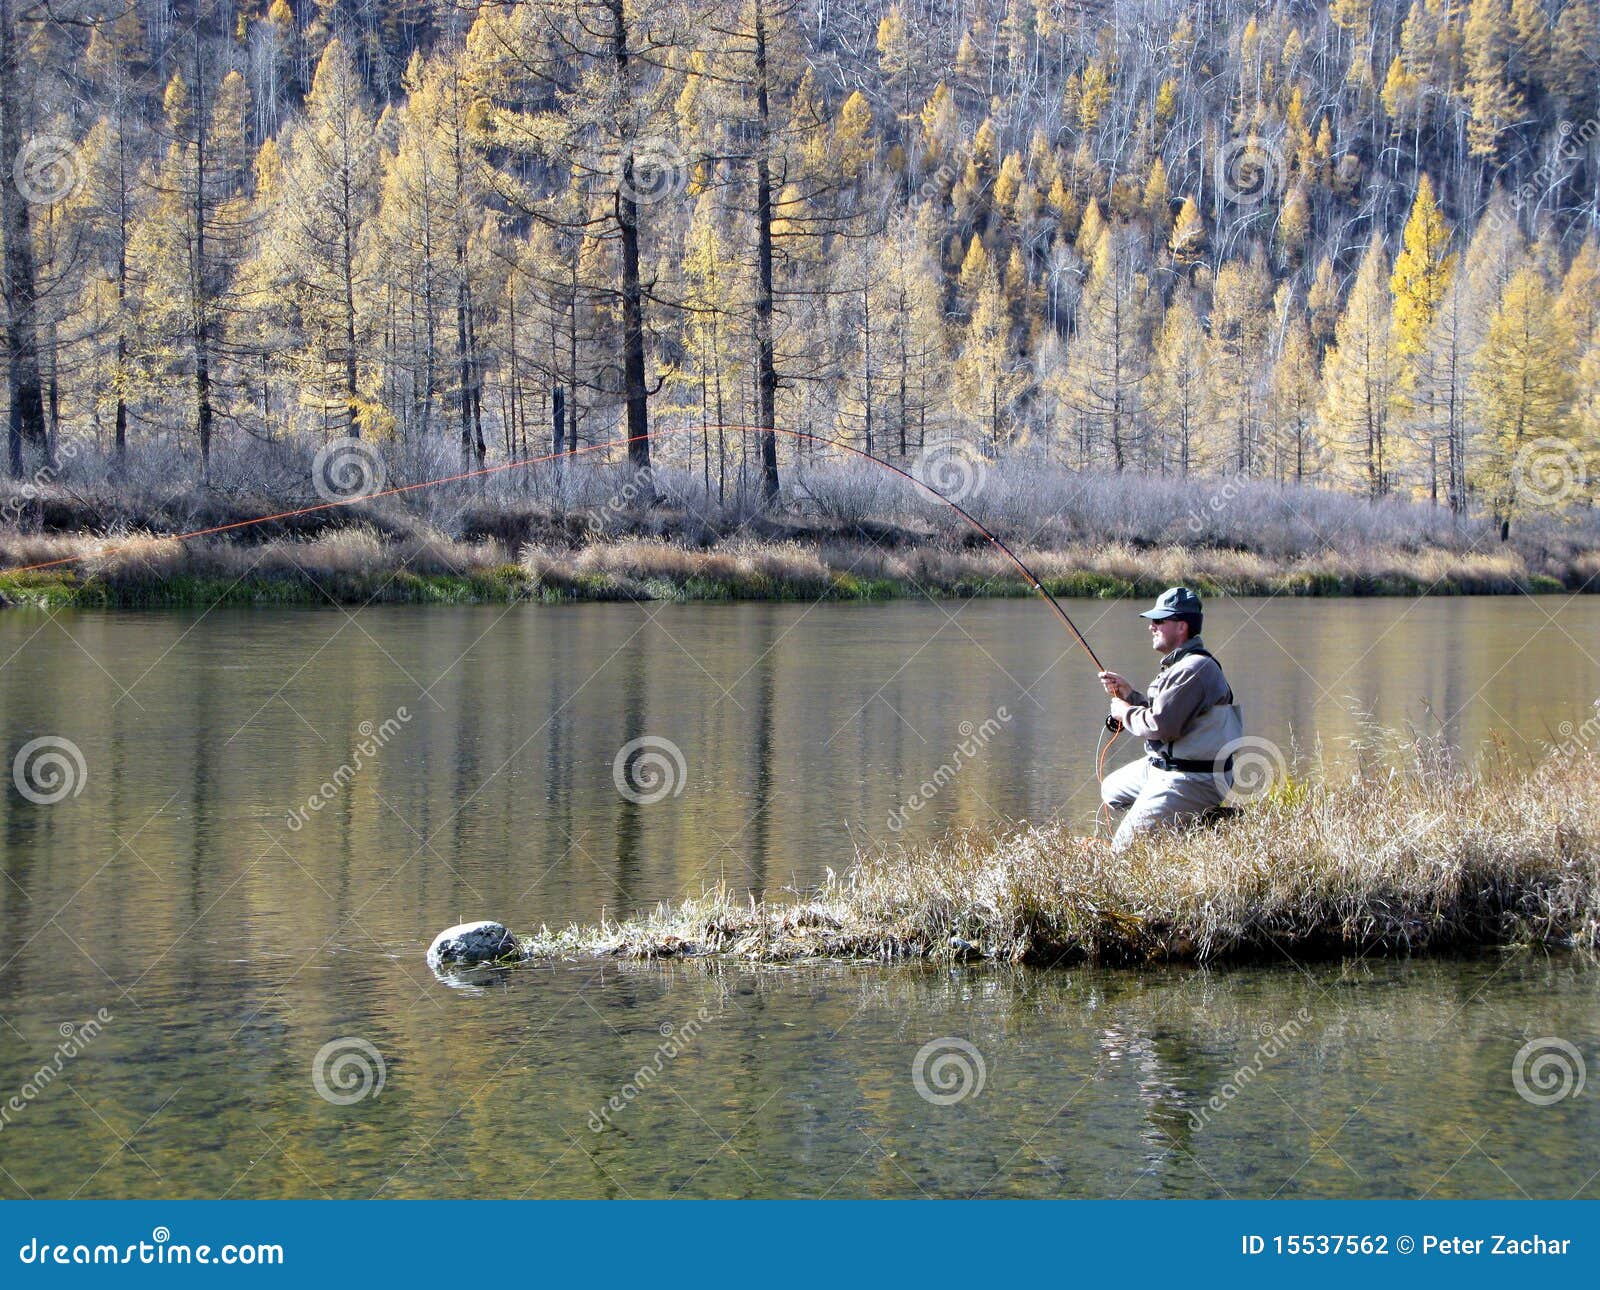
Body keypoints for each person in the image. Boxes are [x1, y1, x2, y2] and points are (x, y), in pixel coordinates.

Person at [1096, 586, 1243, 852]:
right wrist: (1130, 695)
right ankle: (1175, 820)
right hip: (1165, 766)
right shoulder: (1181, 665)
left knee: (1122, 850)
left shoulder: (1194, 669)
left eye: (1159, 620)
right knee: (1111, 790)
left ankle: (1199, 820)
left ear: (1181, 627)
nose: (1151, 626)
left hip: (1193, 777)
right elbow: (1171, 717)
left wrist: (1123, 711)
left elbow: (1162, 726)